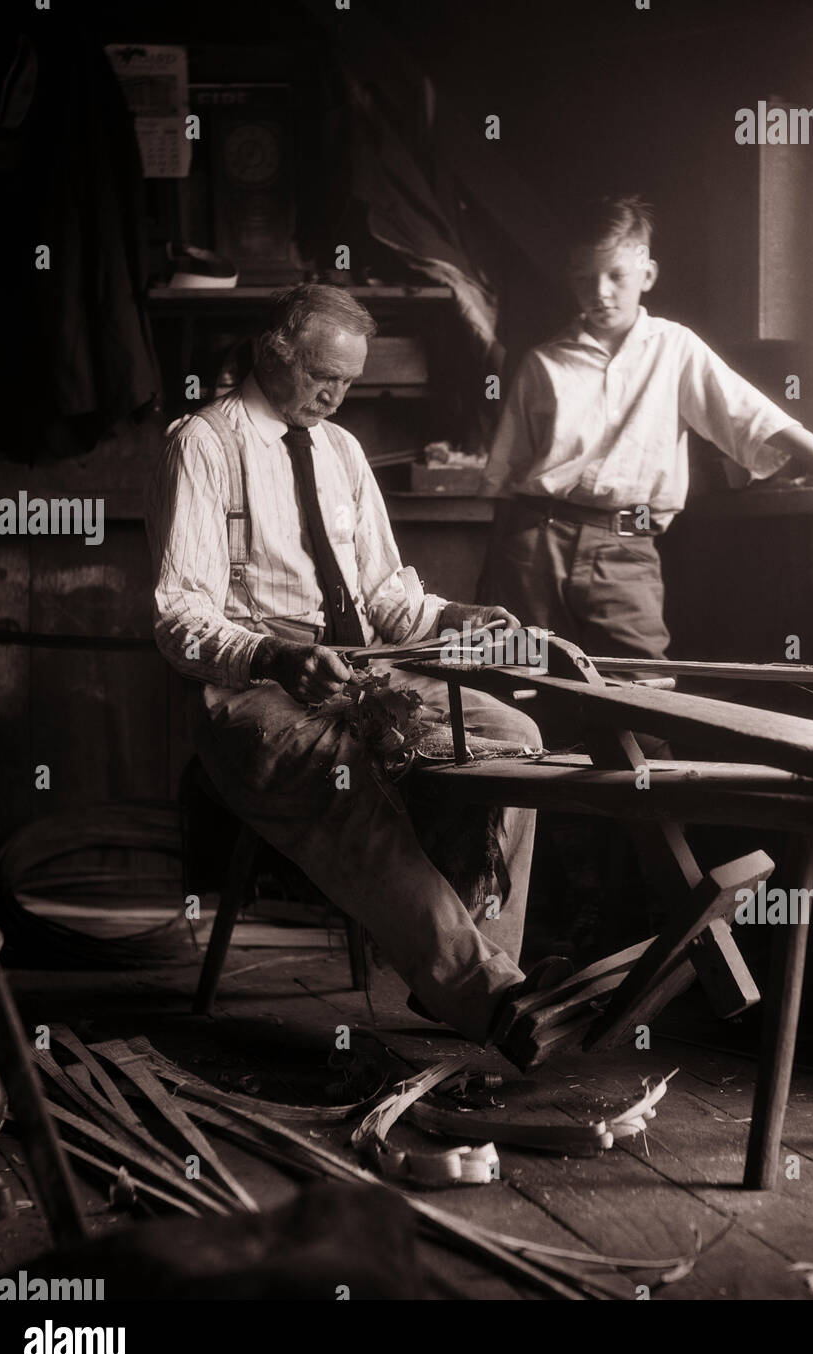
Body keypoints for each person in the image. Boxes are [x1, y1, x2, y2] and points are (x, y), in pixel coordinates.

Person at [145, 283, 562, 1046]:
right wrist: (273, 655)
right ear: (275, 351)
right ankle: (490, 996)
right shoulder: (203, 444)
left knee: (516, 736)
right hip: (253, 691)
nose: (335, 396)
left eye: (347, 382)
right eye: (320, 376)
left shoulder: (341, 451)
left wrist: (456, 618)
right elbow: (180, 617)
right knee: (347, 775)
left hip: (368, 671)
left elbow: (387, 597)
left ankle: (469, 971)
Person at [478, 196, 813, 658]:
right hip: (534, 542)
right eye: (585, 279)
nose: (600, 292)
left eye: (616, 276)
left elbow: (753, 414)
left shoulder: (676, 349)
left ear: (648, 274)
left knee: (645, 684)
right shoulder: (544, 363)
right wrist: (493, 575)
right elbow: (506, 479)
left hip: (626, 544)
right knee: (529, 675)